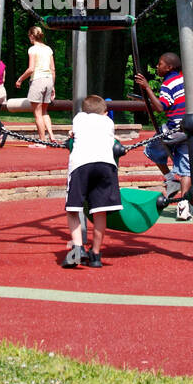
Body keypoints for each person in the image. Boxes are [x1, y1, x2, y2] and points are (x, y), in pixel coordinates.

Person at [133, 52, 193, 221]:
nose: (157, 66)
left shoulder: (168, 83)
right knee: (181, 164)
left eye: (160, 64)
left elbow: (161, 107)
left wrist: (147, 88)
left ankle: (176, 189)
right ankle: (178, 196)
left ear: (169, 67)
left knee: (155, 150)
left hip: (178, 129)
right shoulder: (187, 79)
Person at [62, 95, 122, 269]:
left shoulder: (79, 118)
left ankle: (78, 248)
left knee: (73, 209)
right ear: (105, 112)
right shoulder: (108, 123)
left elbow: (75, 132)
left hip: (81, 165)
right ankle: (96, 254)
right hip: (106, 165)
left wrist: (72, 134)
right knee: (99, 211)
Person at [14, 26, 57, 145]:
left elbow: (31, 69)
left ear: (32, 36)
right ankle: (52, 137)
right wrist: (52, 85)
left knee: (37, 113)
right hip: (48, 80)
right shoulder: (48, 49)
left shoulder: (32, 49)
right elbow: (53, 69)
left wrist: (20, 79)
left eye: (29, 36)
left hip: (38, 80)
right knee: (44, 112)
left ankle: (42, 141)